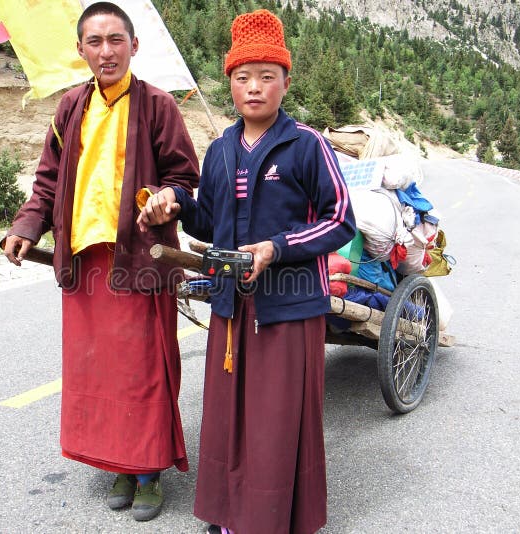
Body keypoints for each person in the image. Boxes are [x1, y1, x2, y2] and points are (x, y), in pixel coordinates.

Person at [137, 8, 356, 534]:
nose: (253, 88)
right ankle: (230, 513)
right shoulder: (219, 151)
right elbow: (212, 221)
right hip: (232, 305)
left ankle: (274, 518)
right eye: (242, 77)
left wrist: (275, 248)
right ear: (230, 83)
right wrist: (177, 204)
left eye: (266, 76)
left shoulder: (306, 145)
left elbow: (341, 218)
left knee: (275, 422)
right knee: (229, 415)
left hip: (288, 305)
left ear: (285, 81)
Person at [2, 2, 199, 523]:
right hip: (85, 265)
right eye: (95, 41)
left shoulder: (158, 106)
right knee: (102, 375)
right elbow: (48, 181)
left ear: (135, 46)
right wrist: (26, 227)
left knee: (144, 371)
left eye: (116, 40)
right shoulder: (70, 108)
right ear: (81, 50)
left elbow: (184, 177)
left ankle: (149, 470)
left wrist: (165, 197)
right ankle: (119, 463)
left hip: (140, 258)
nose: (106, 51)